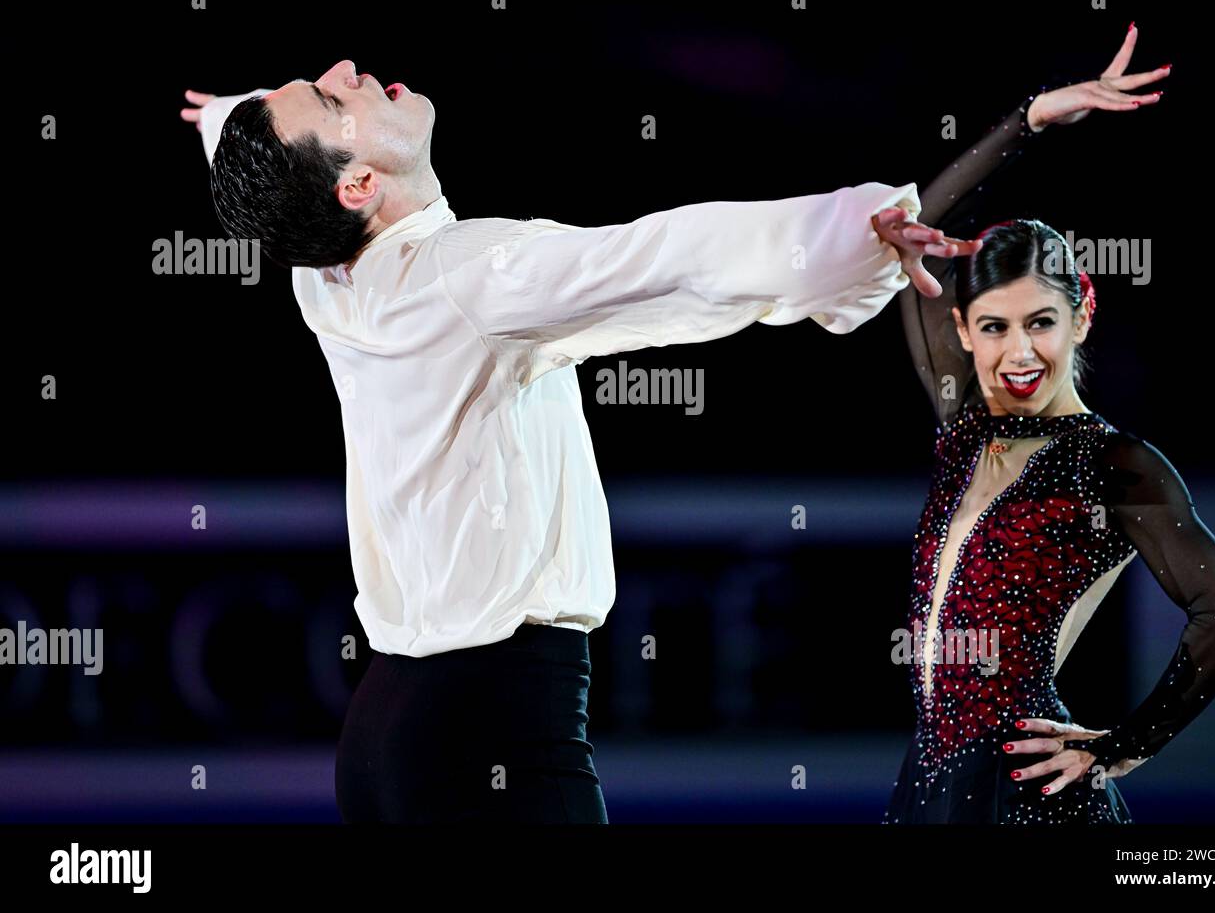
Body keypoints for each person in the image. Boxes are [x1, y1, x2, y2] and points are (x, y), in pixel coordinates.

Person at [182, 60, 979, 822]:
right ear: (357, 187)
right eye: (330, 100)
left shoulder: (317, 270)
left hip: (384, 742)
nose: (344, 69)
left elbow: (275, 168)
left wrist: (227, 118)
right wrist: (855, 237)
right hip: (495, 730)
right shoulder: (471, 274)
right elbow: (658, 259)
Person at [883, 28, 1215, 823]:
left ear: (1082, 315)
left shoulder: (1118, 463)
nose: (1019, 353)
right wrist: (1032, 120)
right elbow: (923, 225)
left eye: (1041, 323)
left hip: (1028, 792)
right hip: (928, 782)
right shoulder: (963, 427)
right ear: (960, 328)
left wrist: (1121, 746)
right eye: (994, 327)